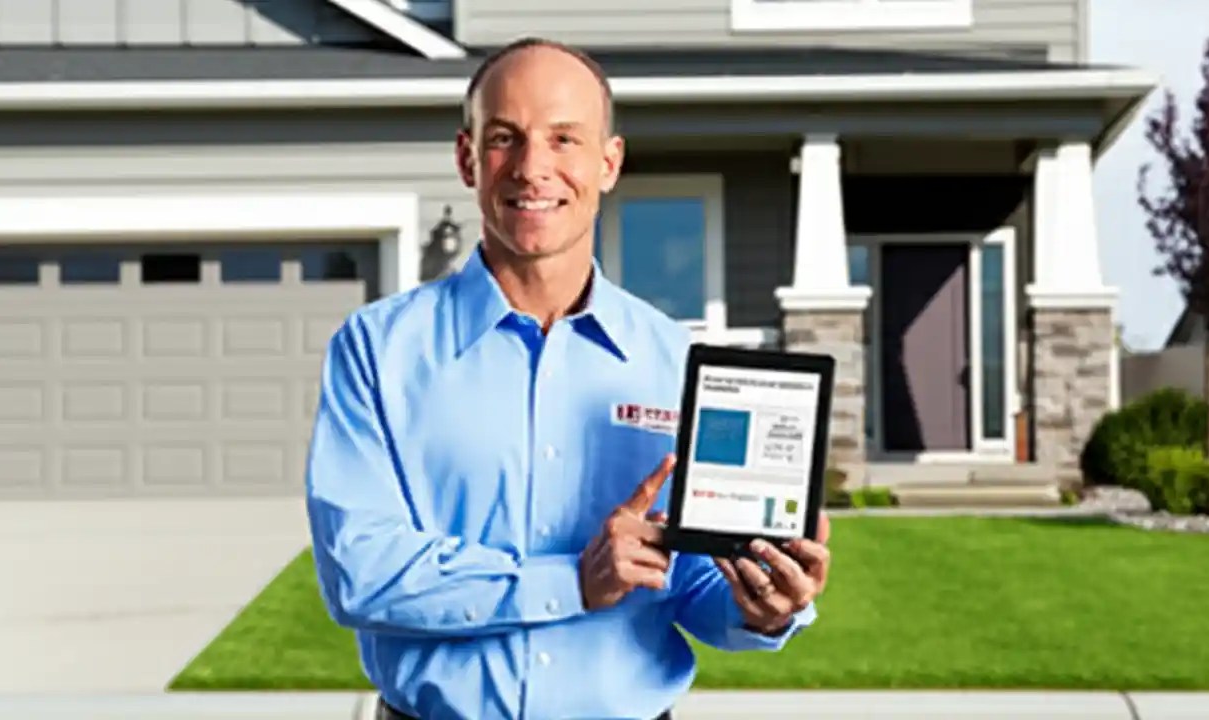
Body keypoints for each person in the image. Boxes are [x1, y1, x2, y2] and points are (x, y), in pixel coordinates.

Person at [304, 37, 832, 720]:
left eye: (564, 139)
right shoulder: (377, 351)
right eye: (505, 138)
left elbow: (691, 585)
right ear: (467, 159)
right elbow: (362, 573)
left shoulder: (672, 361)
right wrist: (572, 582)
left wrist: (762, 605)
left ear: (608, 162)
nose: (533, 168)